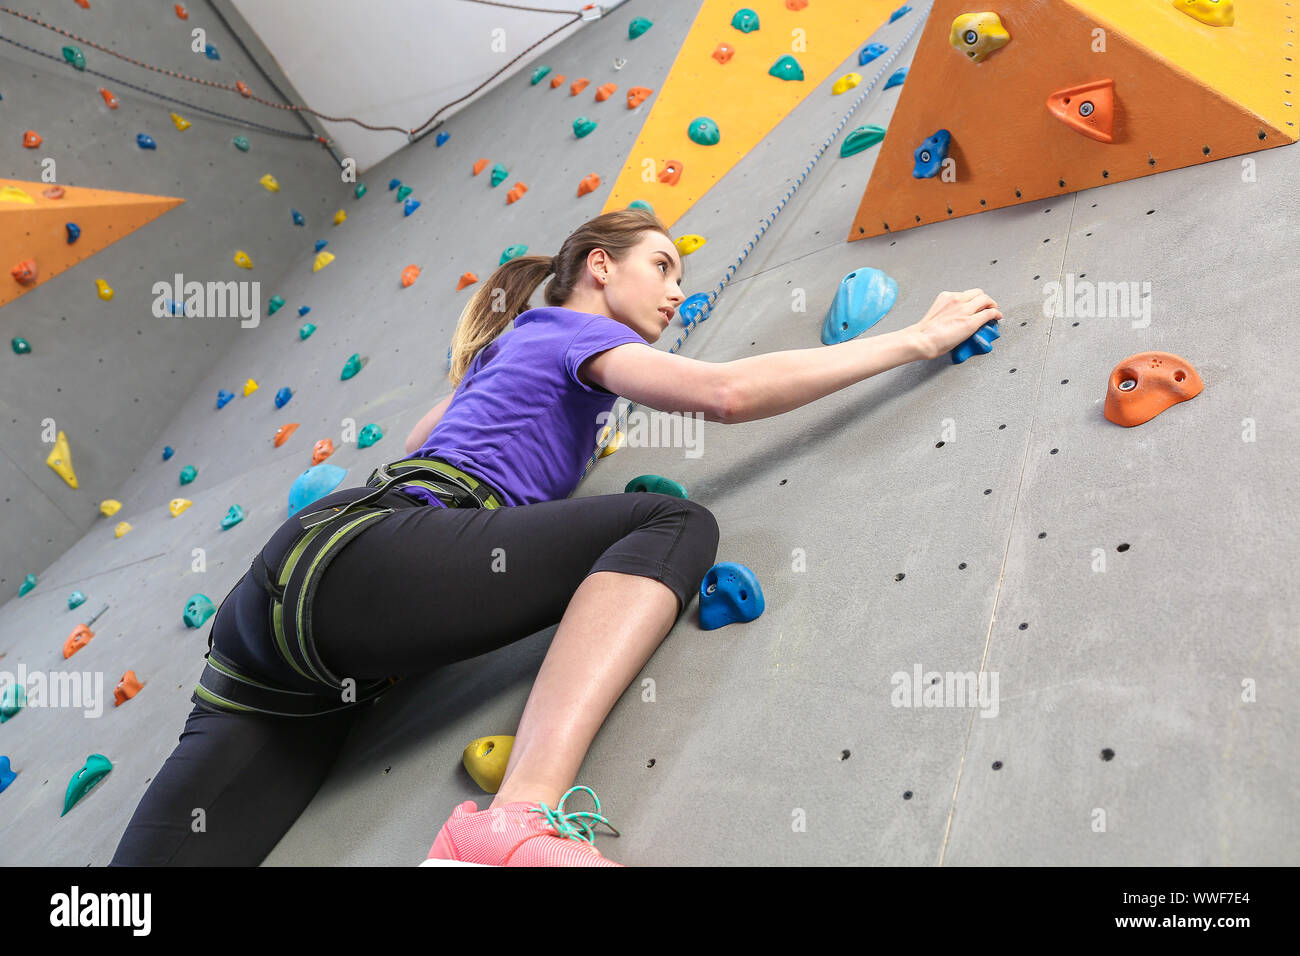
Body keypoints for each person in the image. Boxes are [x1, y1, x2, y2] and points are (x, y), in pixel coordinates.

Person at [108, 207, 1002, 867]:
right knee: (672, 523)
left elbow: (430, 437)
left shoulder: (512, 351)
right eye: (663, 266)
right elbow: (727, 394)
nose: (679, 291)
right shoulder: (566, 328)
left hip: (279, 644)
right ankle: (513, 818)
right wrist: (916, 339)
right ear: (599, 268)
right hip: (364, 568)